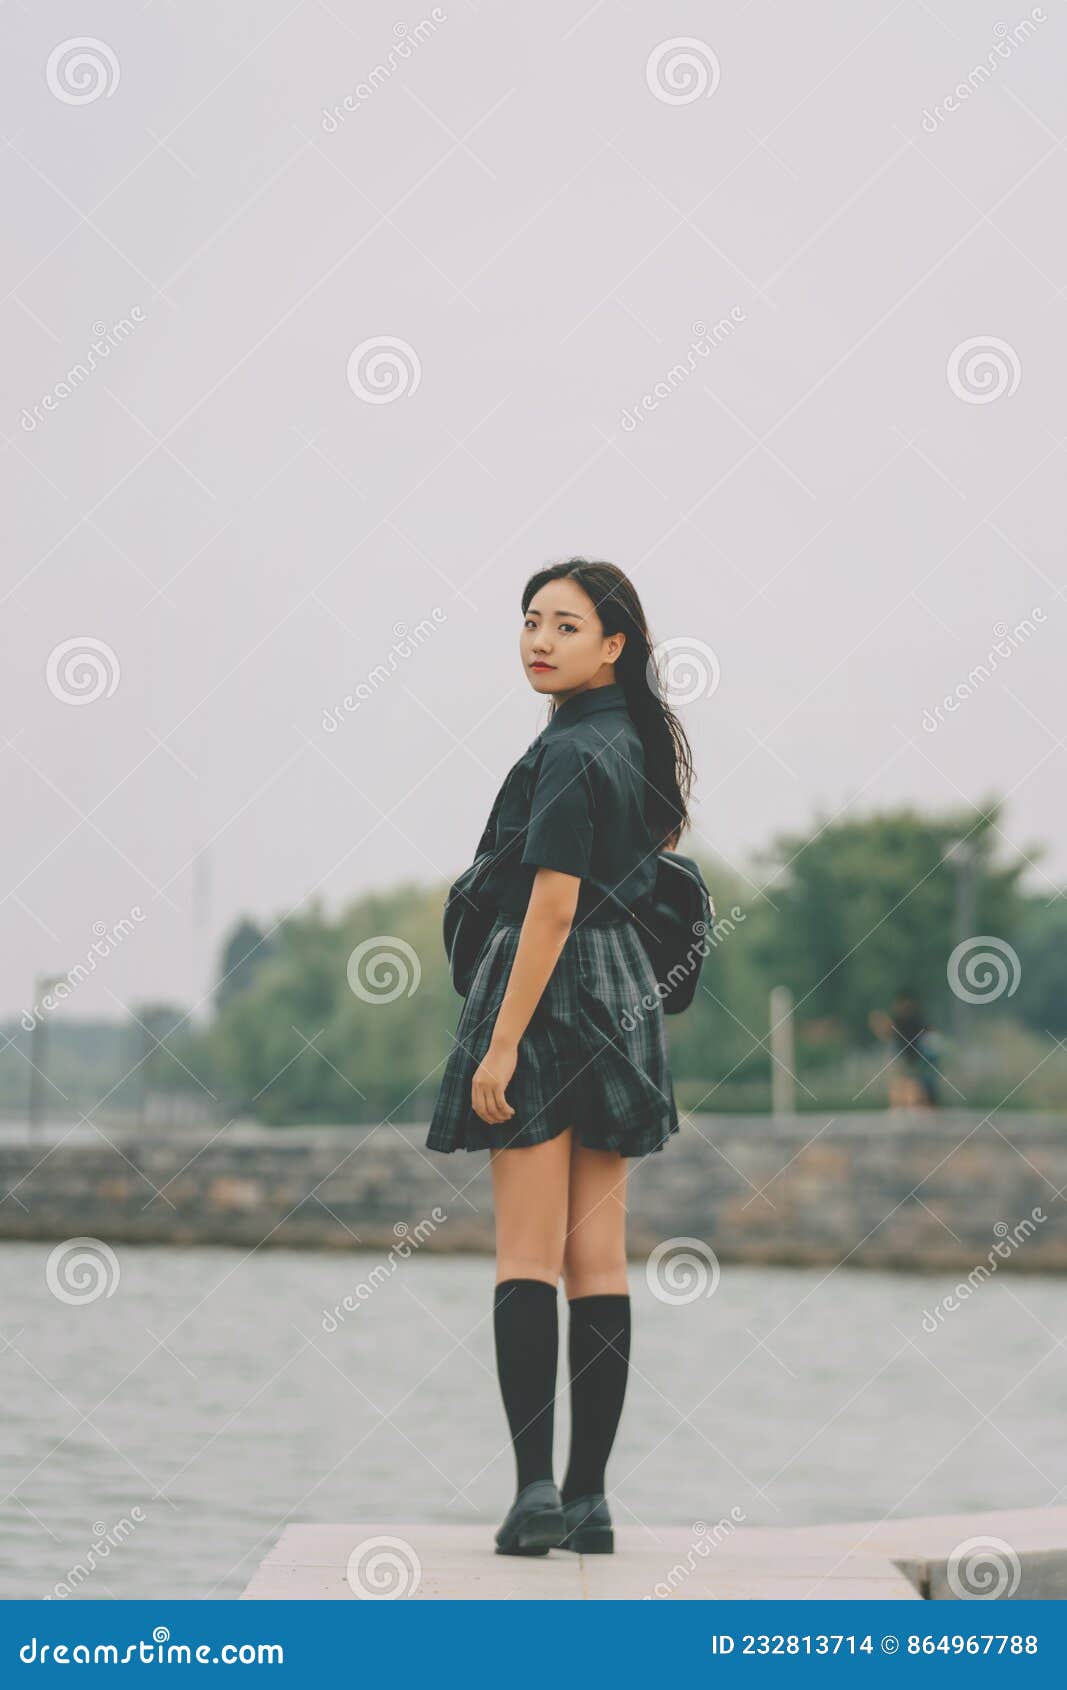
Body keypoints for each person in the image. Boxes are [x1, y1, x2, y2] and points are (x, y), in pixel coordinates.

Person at [426, 558, 696, 1557]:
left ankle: (534, 1491)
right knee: (597, 1256)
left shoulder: (571, 753)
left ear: (612, 644)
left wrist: (499, 1045)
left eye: (565, 625)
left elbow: (547, 902)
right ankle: (589, 1500)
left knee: (527, 1253)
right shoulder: (634, 744)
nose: (538, 639)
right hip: (621, 989)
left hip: (547, 989)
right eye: (530, 620)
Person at [869, 989, 942, 1108]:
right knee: (905, 1091)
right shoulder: (902, 1025)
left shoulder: (914, 1023)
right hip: (911, 1068)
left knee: (916, 1093)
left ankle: (922, 1104)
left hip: (919, 1067)